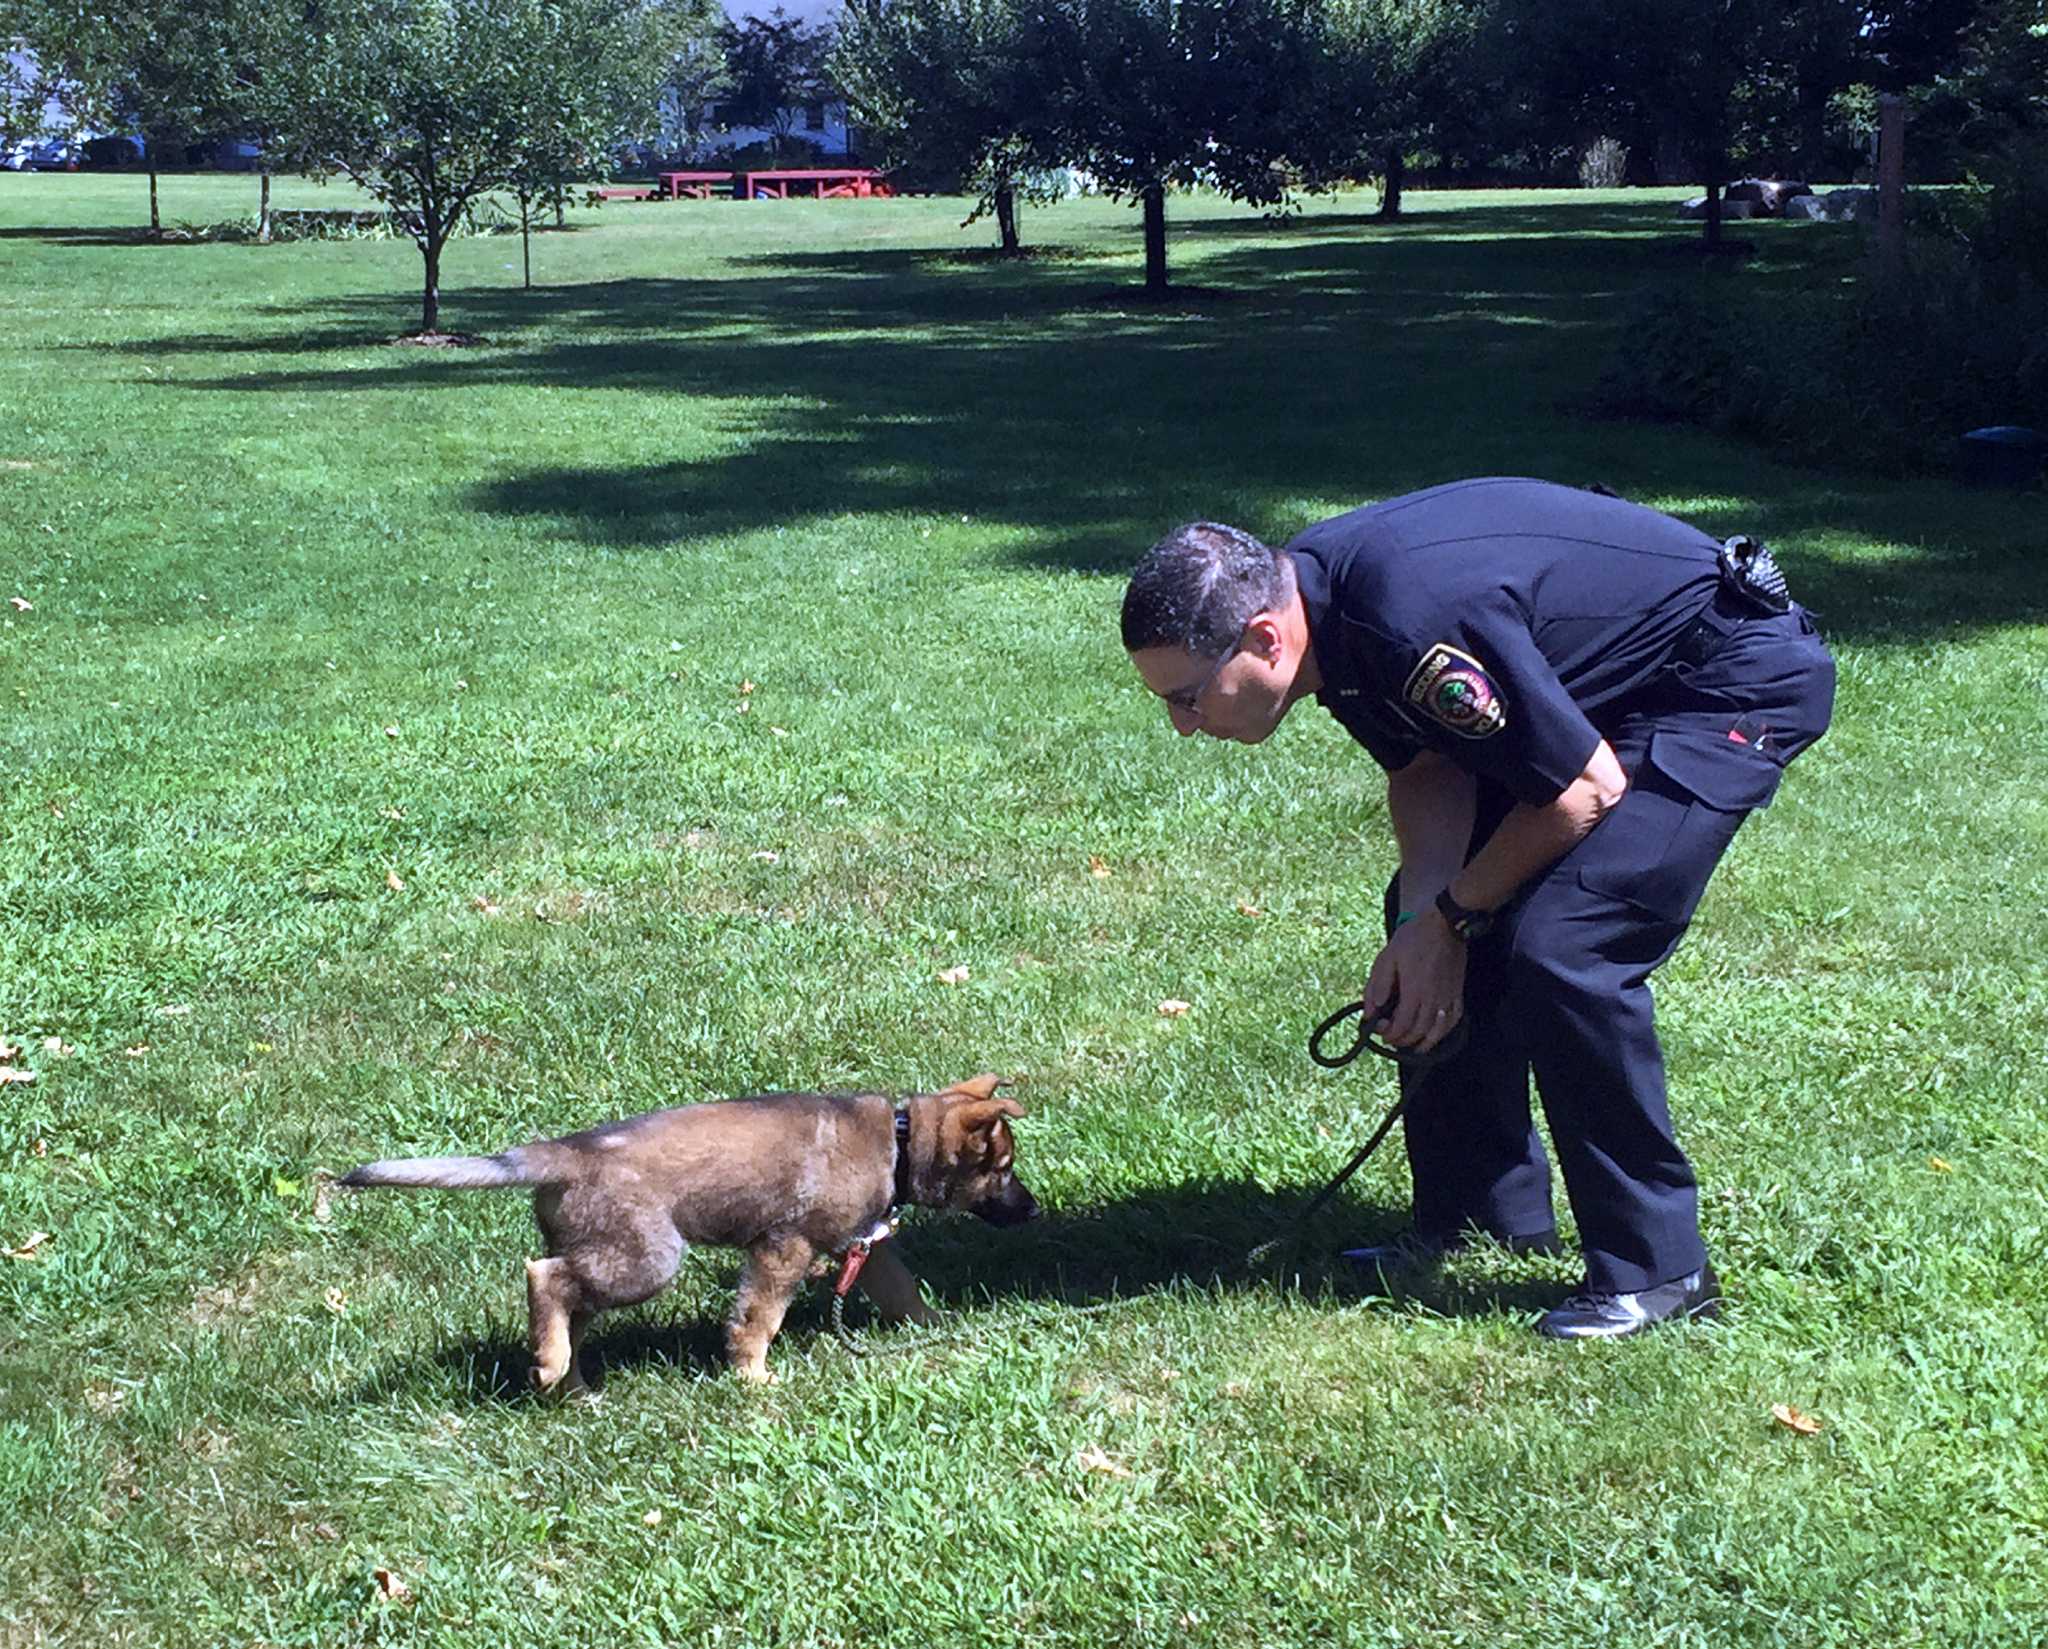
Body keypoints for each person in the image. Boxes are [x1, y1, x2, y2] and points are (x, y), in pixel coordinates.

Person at [1120, 477, 1836, 1339]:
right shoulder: (1324, 602)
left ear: (1265, 639)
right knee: (1431, 910)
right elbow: (1428, 767)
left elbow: (1582, 789)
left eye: (1188, 695)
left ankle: (1661, 1270)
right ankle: (1481, 1212)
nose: (1183, 726)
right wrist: (1425, 920)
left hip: (1718, 682)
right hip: (1609, 701)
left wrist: (1454, 921)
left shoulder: (1404, 614)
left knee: (1567, 942)